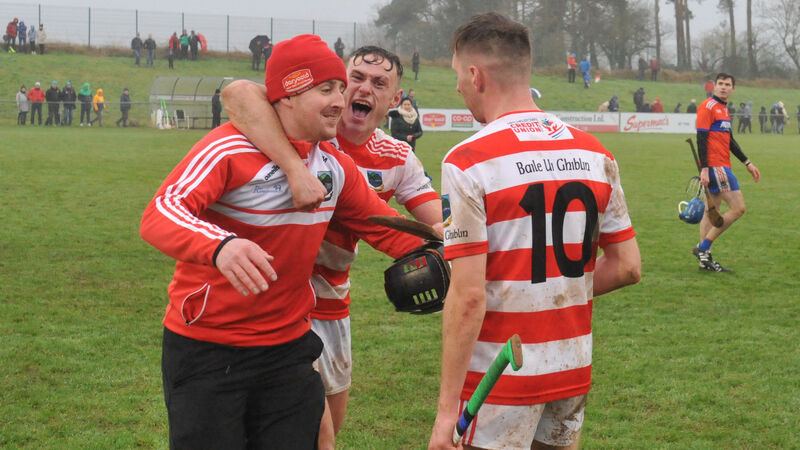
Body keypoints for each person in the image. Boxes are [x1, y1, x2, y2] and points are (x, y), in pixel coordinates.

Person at [140, 34, 423, 448]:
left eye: (340, 89)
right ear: (288, 96)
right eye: (326, 90)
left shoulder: (334, 166)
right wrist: (221, 246)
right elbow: (161, 212)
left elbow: (386, 226)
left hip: (288, 350)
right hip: (208, 348)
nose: (340, 101)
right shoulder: (227, 148)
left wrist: (450, 250)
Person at [428, 13, 641, 450]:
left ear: (475, 75)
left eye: (457, 76)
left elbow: (468, 298)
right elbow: (627, 267)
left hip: (500, 375)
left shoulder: (468, 161)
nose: (458, 88)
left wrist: (447, 413)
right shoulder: (595, 153)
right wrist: (552, 290)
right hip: (571, 365)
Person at [222, 44, 442, 449]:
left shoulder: (397, 157)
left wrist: (467, 246)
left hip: (333, 303)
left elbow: (438, 227)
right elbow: (237, 92)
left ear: (395, 99)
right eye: (356, 78)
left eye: (379, 83)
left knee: (328, 432)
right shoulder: (303, 127)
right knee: (314, 433)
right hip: (276, 299)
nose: (364, 89)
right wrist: (292, 165)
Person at [692, 73, 761, 272]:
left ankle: (704, 260)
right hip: (716, 166)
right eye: (720, 83)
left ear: (733, 89)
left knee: (711, 211)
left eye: (727, 84)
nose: (723, 87)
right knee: (738, 208)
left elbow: (730, 140)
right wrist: (705, 169)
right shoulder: (708, 106)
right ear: (714, 86)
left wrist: (747, 162)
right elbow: (701, 138)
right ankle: (703, 247)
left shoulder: (724, 109)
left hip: (721, 165)